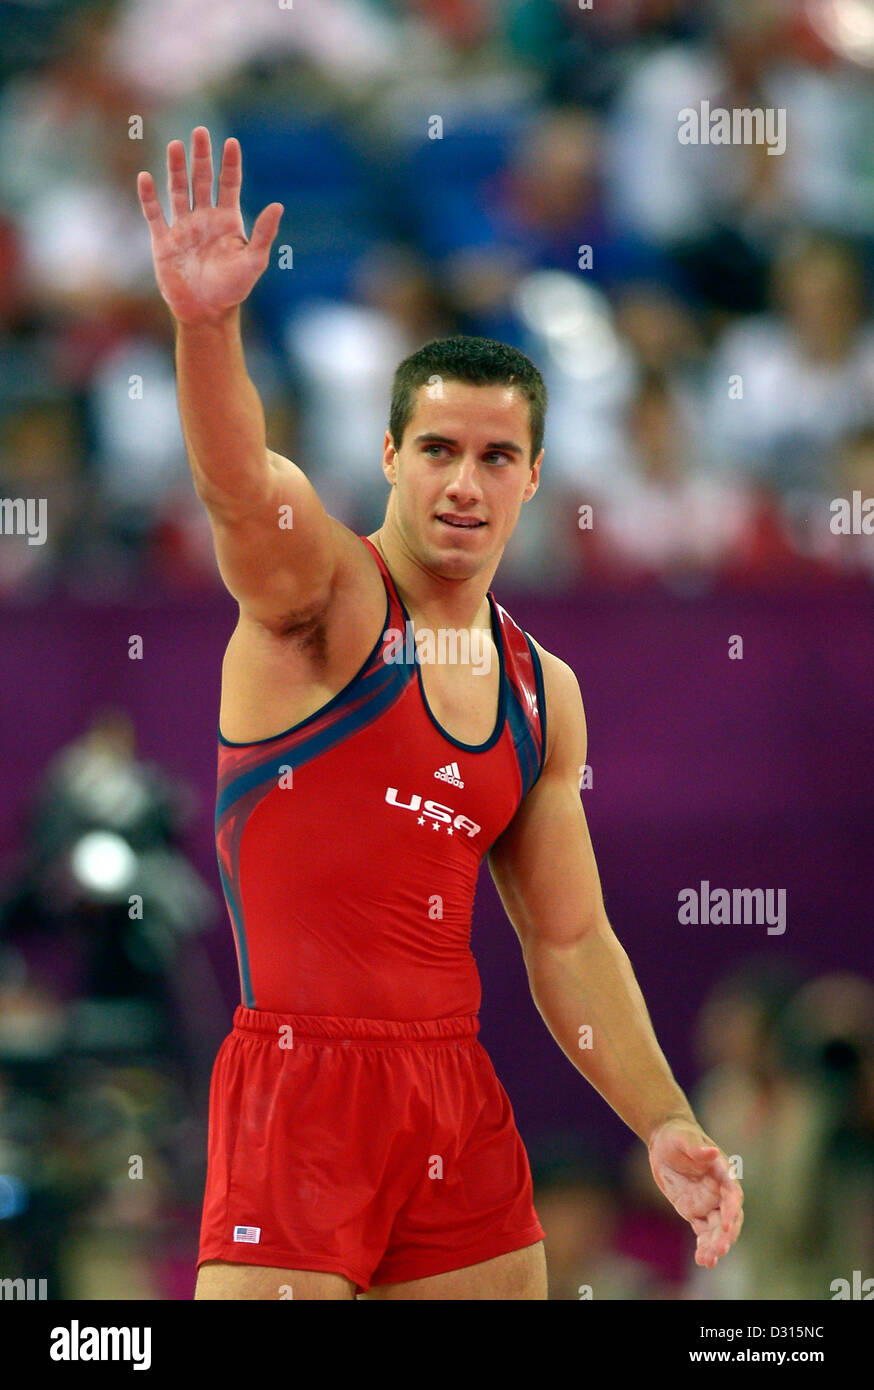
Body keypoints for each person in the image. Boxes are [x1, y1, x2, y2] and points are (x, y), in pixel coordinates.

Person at [137, 127, 743, 1300]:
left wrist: (662, 1118)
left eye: (496, 455)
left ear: (534, 474)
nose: (464, 483)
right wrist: (207, 330)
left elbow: (567, 940)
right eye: (437, 450)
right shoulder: (320, 601)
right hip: (300, 1087)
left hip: (450, 1097)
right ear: (389, 458)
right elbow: (236, 483)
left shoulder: (539, 689)